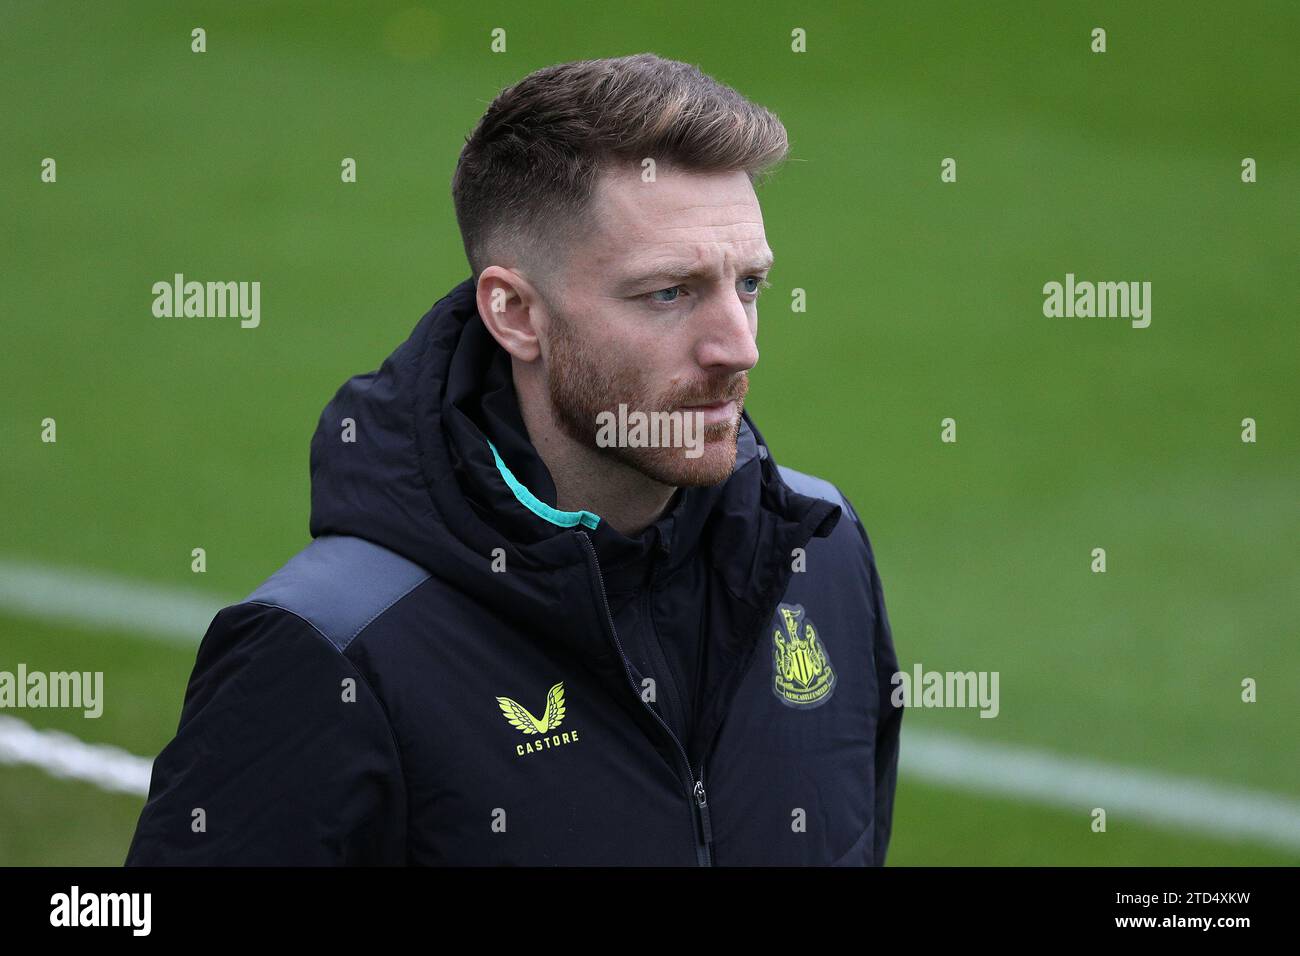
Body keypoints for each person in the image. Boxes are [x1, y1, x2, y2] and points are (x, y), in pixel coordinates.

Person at [125, 52, 902, 866]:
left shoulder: (819, 553)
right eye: (668, 293)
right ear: (516, 313)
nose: (736, 347)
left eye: (749, 285)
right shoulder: (332, 648)